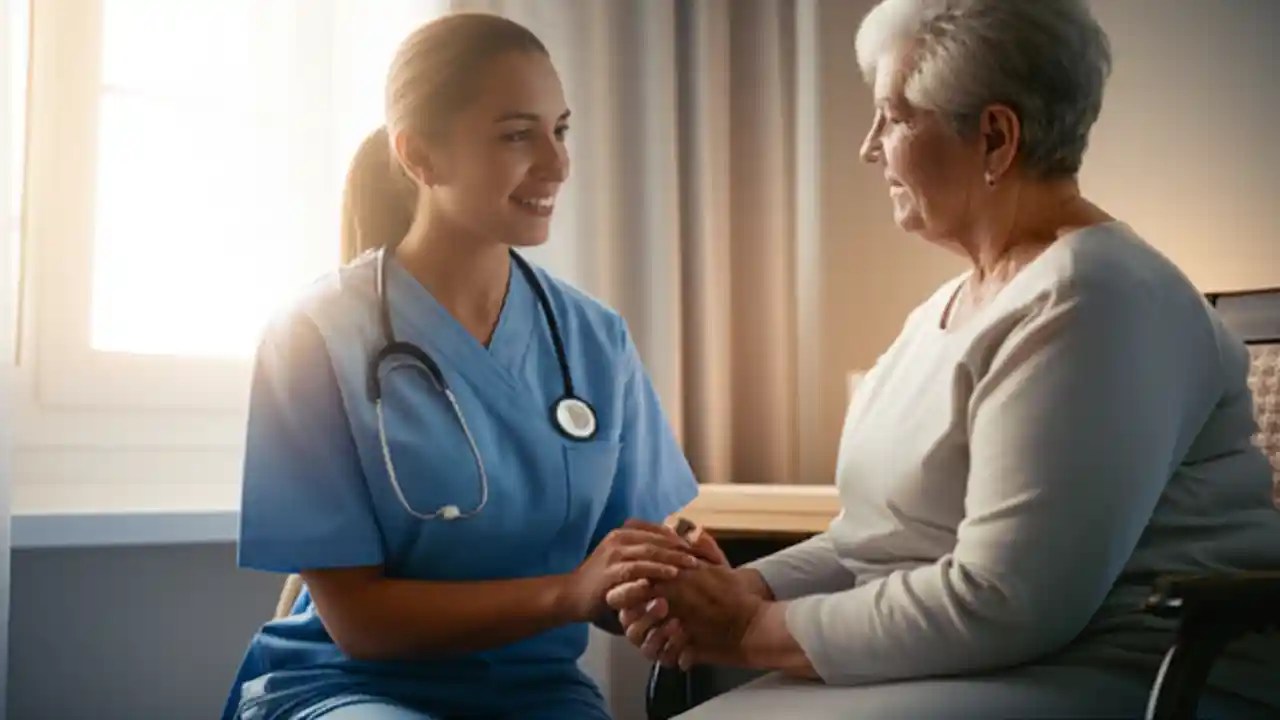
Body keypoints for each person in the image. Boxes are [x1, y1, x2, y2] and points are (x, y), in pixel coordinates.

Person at [610, 1, 1280, 717]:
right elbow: (878, 540)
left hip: (1124, 669)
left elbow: (1005, 601)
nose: (870, 147)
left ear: (995, 136)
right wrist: (750, 590)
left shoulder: (1096, 300)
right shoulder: (950, 308)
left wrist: (747, 630)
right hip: (991, 664)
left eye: (895, 117)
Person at [221, 13, 702, 719]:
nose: (557, 163)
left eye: (560, 130)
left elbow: (610, 573)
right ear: (420, 156)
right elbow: (360, 622)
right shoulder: (313, 336)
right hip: (351, 692)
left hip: (538, 696)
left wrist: (666, 586)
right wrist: (567, 593)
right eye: (517, 134)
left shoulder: (596, 340)